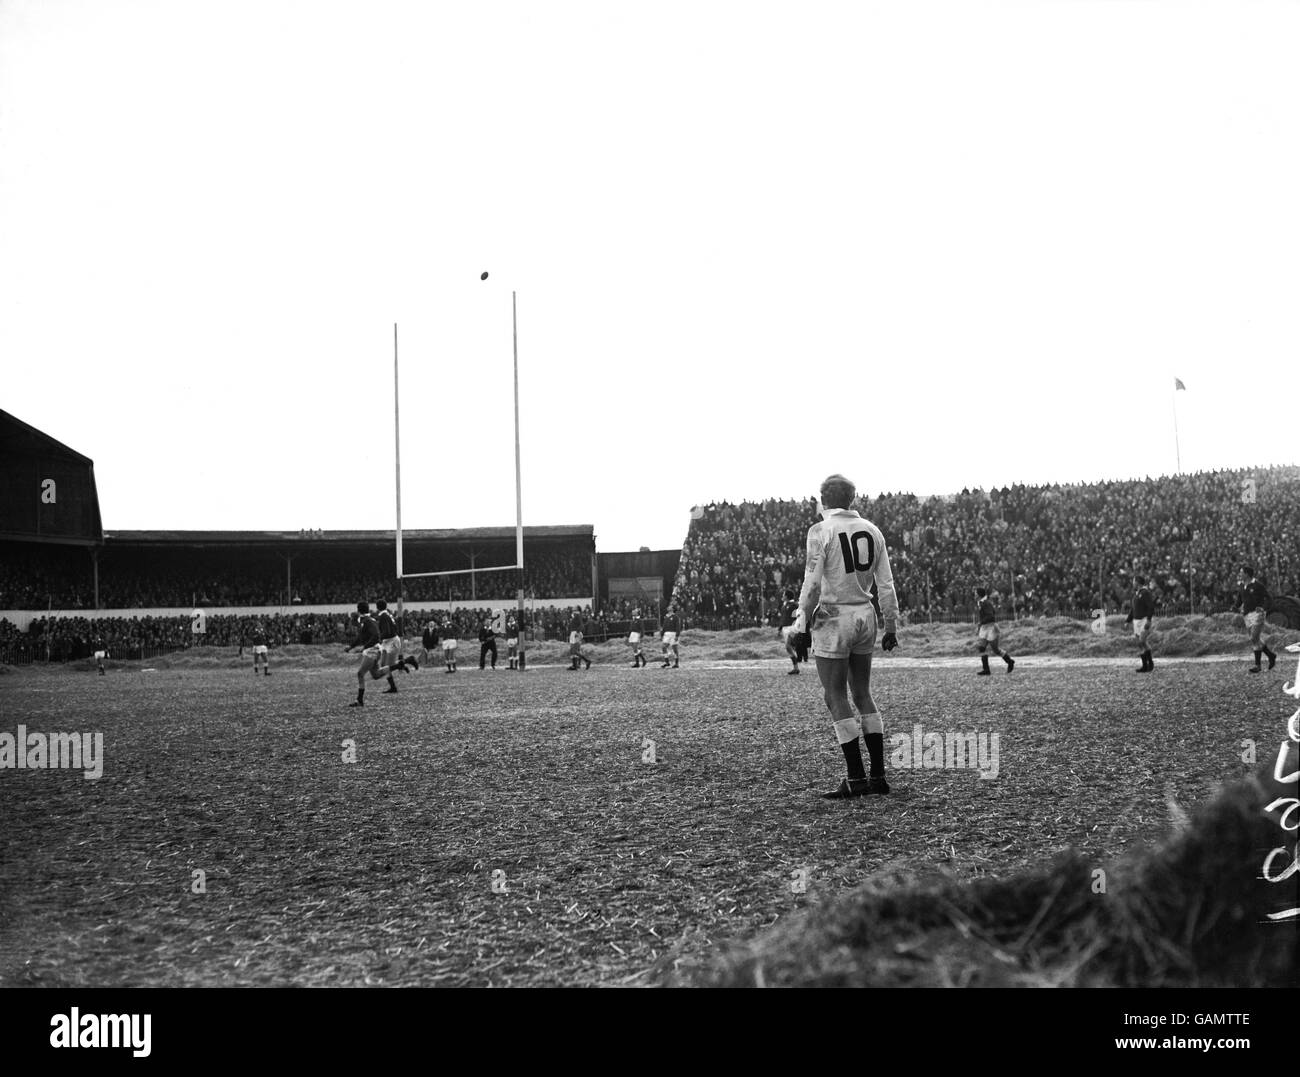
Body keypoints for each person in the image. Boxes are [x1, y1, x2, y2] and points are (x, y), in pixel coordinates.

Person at [793, 474, 898, 799]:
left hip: (834, 616)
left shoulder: (820, 530)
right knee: (863, 693)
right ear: (852, 498)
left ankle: (855, 778)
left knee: (834, 695)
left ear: (824, 498)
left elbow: (812, 583)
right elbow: (886, 583)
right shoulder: (873, 529)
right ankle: (878, 776)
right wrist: (891, 625)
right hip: (865, 616)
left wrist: (801, 624)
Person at [343, 601, 405, 706]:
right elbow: (362, 637)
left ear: (358, 611)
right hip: (374, 649)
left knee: (360, 674)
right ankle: (398, 665)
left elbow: (376, 635)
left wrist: (364, 646)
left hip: (372, 650)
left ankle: (359, 700)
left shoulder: (367, 621)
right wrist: (351, 646)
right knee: (376, 674)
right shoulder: (368, 620)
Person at [1239, 567, 1277, 673]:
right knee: (1255, 639)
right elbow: (1239, 598)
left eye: (1241, 572)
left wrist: (1263, 608)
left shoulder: (1258, 585)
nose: (1240, 574)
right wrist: (1234, 606)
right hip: (1247, 615)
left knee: (1253, 637)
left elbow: (1269, 598)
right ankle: (1271, 655)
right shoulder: (1242, 585)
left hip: (1257, 614)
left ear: (1247, 574)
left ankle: (1258, 665)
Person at [974, 588, 1015, 676]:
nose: (974, 594)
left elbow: (991, 616)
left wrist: (980, 622)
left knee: (995, 649)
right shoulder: (981, 603)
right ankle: (986, 670)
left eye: (975, 593)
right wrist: (980, 624)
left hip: (991, 627)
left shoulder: (986, 603)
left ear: (979, 594)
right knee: (981, 648)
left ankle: (1010, 662)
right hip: (984, 627)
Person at [1124, 575, 1156, 673]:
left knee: (1141, 641)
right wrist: (1128, 620)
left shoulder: (1145, 593)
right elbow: (1132, 609)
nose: (1132, 583)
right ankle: (1148, 664)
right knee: (1142, 643)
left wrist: (1149, 620)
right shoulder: (1136, 595)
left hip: (1143, 620)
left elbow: (1151, 606)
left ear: (1137, 582)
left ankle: (1147, 664)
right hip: (1136, 621)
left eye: (1133, 581)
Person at [777, 589, 802, 674]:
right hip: (785, 628)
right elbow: (782, 618)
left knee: (788, 646)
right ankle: (796, 667)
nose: (782, 596)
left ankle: (797, 663)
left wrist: (798, 627)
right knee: (789, 648)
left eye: (783, 595)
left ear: (787, 596)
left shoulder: (795, 605)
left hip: (792, 627)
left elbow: (800, 616)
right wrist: (780, 629)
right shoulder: (783, 606)